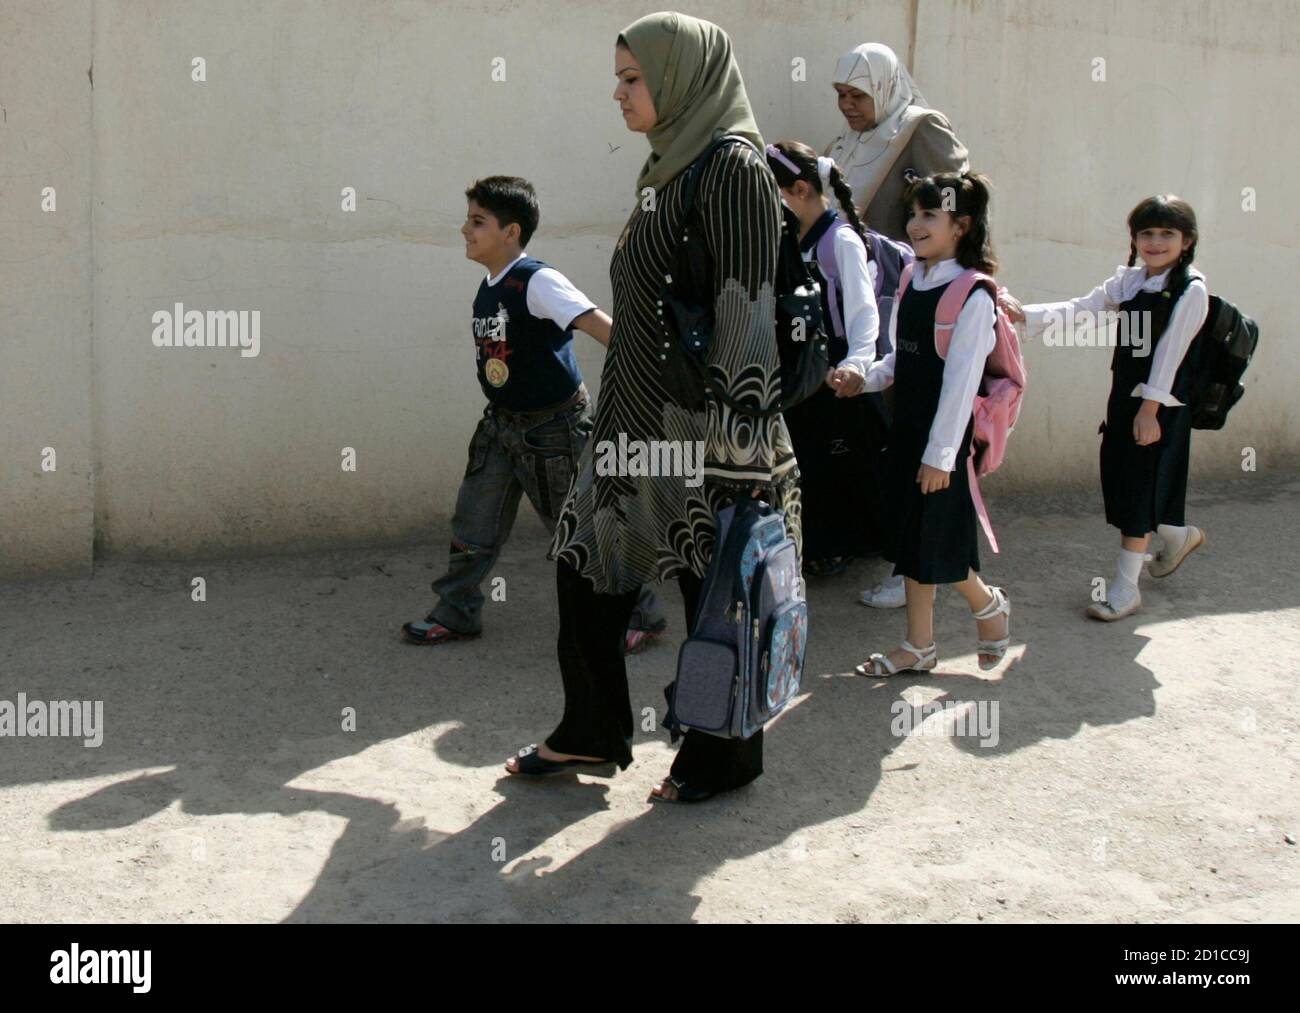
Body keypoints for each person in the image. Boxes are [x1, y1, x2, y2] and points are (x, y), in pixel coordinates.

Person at [505, 11, 800, 803]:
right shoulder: (672, 168)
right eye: (620, 78)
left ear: (680, 80)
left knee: (717, 599)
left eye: (633, 79)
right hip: (633, 427)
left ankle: (721, 757)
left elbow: (747, 308)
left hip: (704, 436)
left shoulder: (734, 168)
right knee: (583, 566)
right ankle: (594, 730)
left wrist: (740, 458)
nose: (619, 94)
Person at [401, 176, 612, 647]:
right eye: (468, 220)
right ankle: (456, 611)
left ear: (511, 232)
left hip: (555, 431)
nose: (465, 230)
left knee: (577, 527)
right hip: (501, 426)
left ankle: (637, 615)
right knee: (473, 521)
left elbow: (604, 330)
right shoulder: (489, 286)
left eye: (478, 222)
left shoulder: (537, 280)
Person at [1000, 195, 1209, 621]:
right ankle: (1177, 534)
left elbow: (1169, 356)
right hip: (1125, 400)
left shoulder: (1191, 291)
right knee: (1124, 482)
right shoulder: (1131, 282)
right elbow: (1083, 308)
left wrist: (1149, 412)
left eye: (1167, 234)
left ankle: (1125, 589)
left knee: (1137, 492)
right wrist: (1025, 315)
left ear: (1186, 242)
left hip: (1160, 404)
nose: (1155, 242)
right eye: (1146, 233)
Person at [825, 42, 971, 609]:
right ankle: (869, 539)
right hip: (860, 300)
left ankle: (911, 565)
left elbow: (956, 207)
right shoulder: (849, 141)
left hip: (912, 298)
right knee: (864, 432)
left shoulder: (919, 129)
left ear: (883, 90)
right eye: (840, 95)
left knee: (907, 433)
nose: (848, 106)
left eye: (857, 95)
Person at [854, 171, 1013, 676]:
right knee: (913, 540)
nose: (914, 224)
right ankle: (920, 645)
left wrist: (940, 456)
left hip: (942, 441)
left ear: (961, 227)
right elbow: (900, 357)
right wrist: (866, 378)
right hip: (908, 432)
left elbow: (961, 385)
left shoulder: (975, 296)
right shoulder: (911, 277)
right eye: (913, 213)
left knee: (936, 542)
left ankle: (988, 607)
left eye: (929, 215)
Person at [764, 141, 883, 576]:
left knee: (838, 459)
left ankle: (838, 546)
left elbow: (863, 312)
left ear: (798, 189)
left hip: (834, 367)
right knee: (806, 456)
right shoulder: (790, 239)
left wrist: (855, 364)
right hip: (801, 367)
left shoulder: (841, 241)